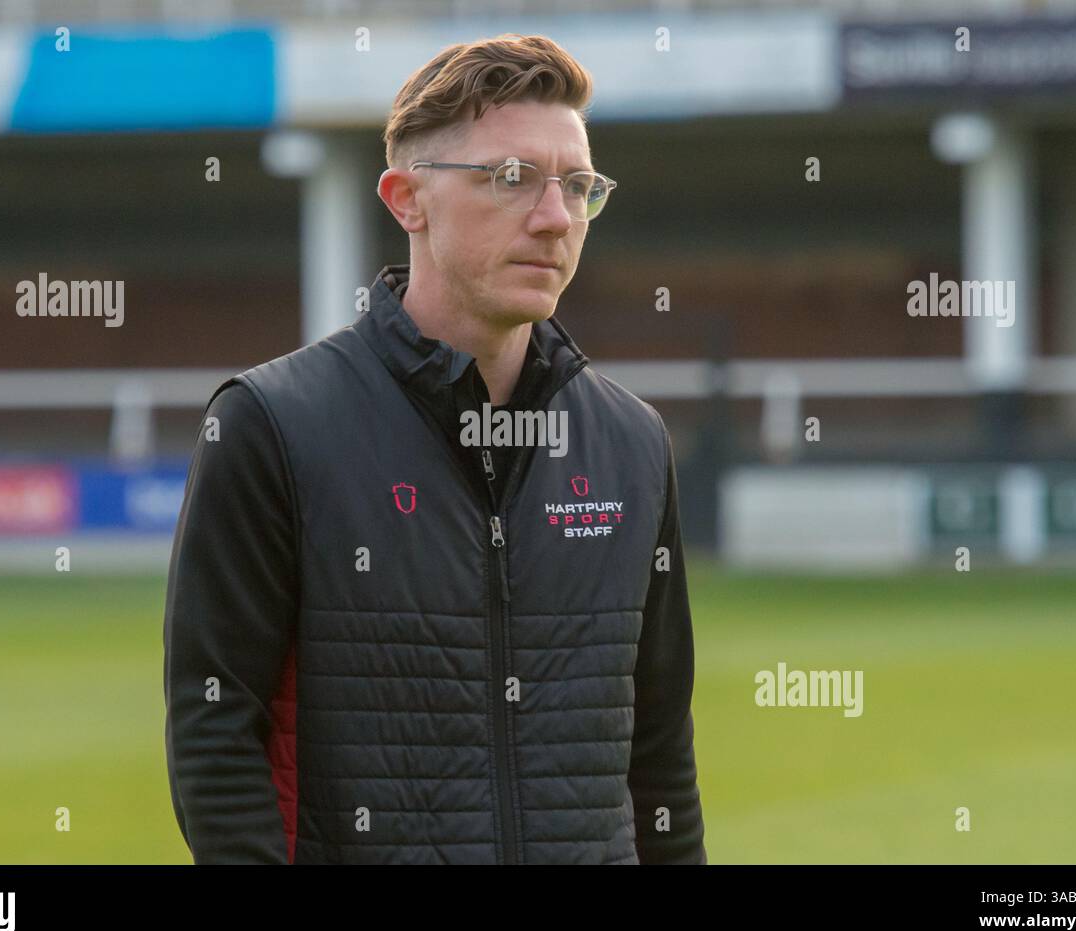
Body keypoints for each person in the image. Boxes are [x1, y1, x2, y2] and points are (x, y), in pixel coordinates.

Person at [163, 33, 706, 864]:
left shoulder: (631, 440)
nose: (556, 216)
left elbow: (660, 756)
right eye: (512, 178)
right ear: (406, 198)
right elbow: (215, 735)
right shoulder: (269, 424)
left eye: (579, 186)